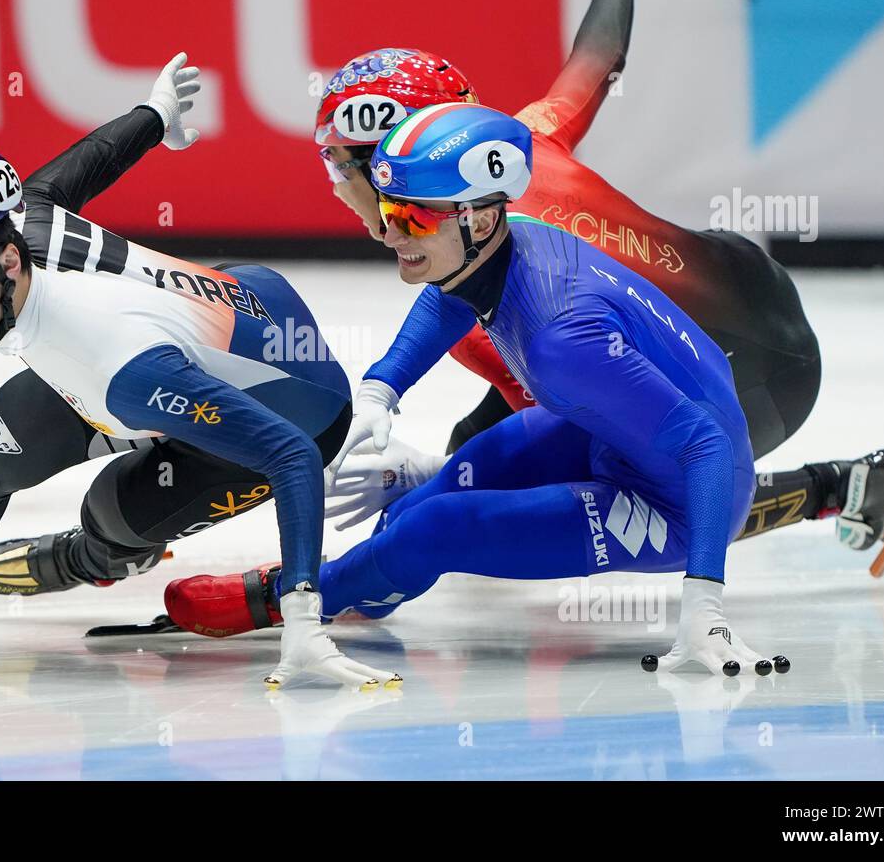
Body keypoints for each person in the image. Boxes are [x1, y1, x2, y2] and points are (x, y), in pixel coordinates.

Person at [0, 53, 399, 691]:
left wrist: (303, 619)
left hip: (298, 407)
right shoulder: (22, 222)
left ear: (7, 263)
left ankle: (102, 555)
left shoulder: (109, 361)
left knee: (114, 509)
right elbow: (81, 169)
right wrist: (155, 115)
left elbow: (293, 455)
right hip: (201, 327)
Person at [313, 0, 884, 552]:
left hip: (757, 379)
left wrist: (435, 477)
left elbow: (560, 424)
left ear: (378, 166)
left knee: (622, 494)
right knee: (481, 444)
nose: (330, 185)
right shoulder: (520, 142)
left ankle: (834, 486)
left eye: (334, 163)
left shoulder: (477, 263)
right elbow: (597, 62)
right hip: (748, 281)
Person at [168, 104, 785, 676]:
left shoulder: (561, 340)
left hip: (675, 500)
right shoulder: (512, 237)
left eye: (412, 217)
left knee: (437, 528)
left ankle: (293, 596)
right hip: (620, 435)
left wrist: (705, 602)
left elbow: (705, 444)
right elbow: (453, 295)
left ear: (481, 216)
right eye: (386, 210)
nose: (389, 235)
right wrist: (384, 386)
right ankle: (372, 583)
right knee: (424, 500)